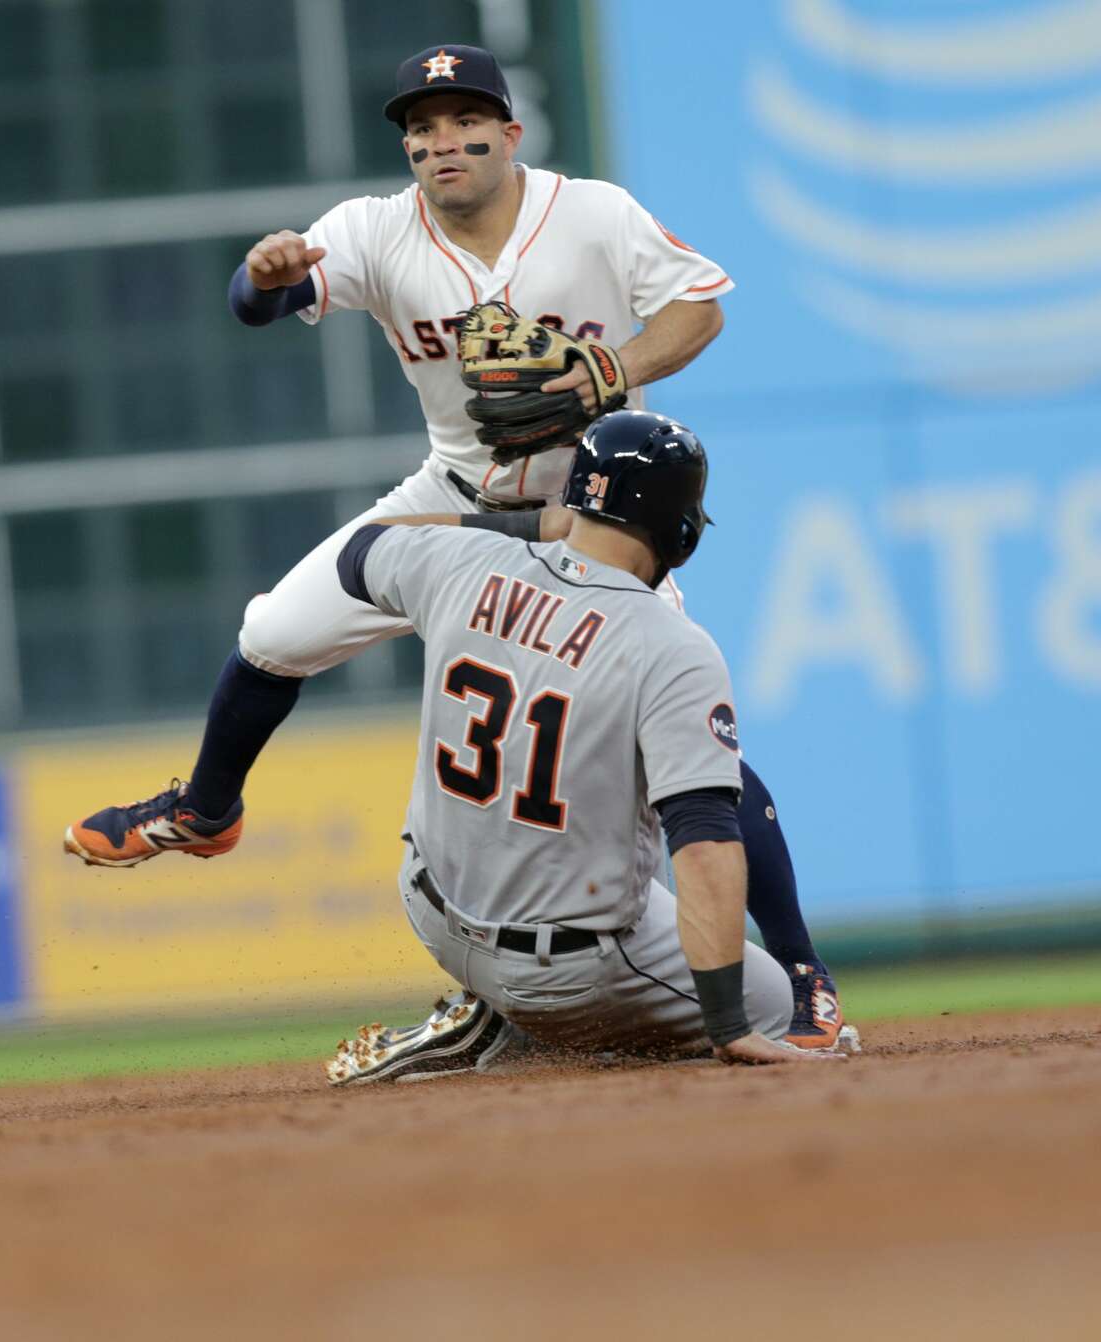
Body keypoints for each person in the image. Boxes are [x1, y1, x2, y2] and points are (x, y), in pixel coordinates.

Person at [62, 44, 846, 1048]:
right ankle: (208, 811)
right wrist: (262, 280)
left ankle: (803, 970)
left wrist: (610, 368)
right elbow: (258, 304)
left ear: (511, 133)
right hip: (457, 497)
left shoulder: (593, 214)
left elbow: (700, 308)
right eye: (422, 128)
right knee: (272, 631)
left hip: (589, 508)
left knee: (699, 745)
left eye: (466, 120)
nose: (443, 141)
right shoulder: (374, 231)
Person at [327, 410, 848, 1083]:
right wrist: (728, 1025)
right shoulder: (670, 644)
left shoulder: (461, 560)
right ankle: (526, 1031)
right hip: (565, 974)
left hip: (430, 913)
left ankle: (491, 1011)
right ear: (680, 528)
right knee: (775, 1007)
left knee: (608, 806)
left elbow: (358, 549)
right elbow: (705, 838)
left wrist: (522, 528)